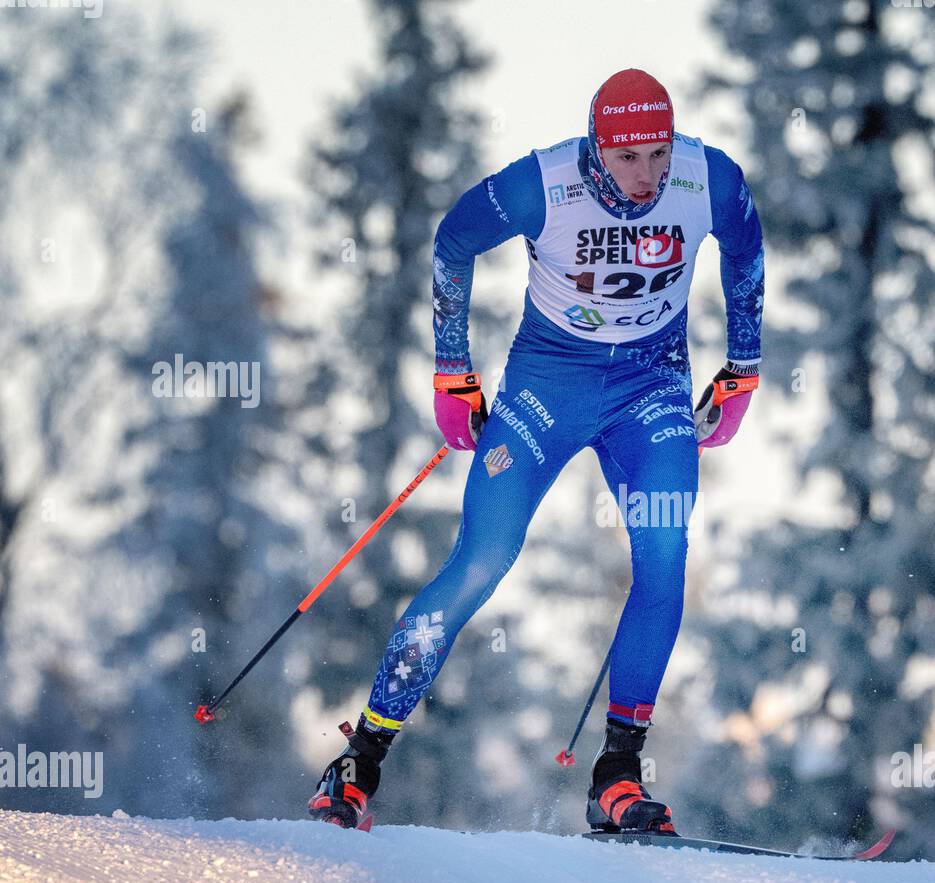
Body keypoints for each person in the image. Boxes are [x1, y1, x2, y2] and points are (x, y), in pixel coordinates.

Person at [309, 68, 764, 833]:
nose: (647, 176)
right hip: (545, 396)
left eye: (658, 154)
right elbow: (454, 239)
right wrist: (453, 370)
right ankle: (360, 762)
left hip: (650, 394)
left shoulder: (706, 176)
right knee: (482, 561)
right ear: (596, 149)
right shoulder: (543, 183)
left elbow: (746, 251)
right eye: (628, 159)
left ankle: (617, 775)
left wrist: (743, 365)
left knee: (663, 555)